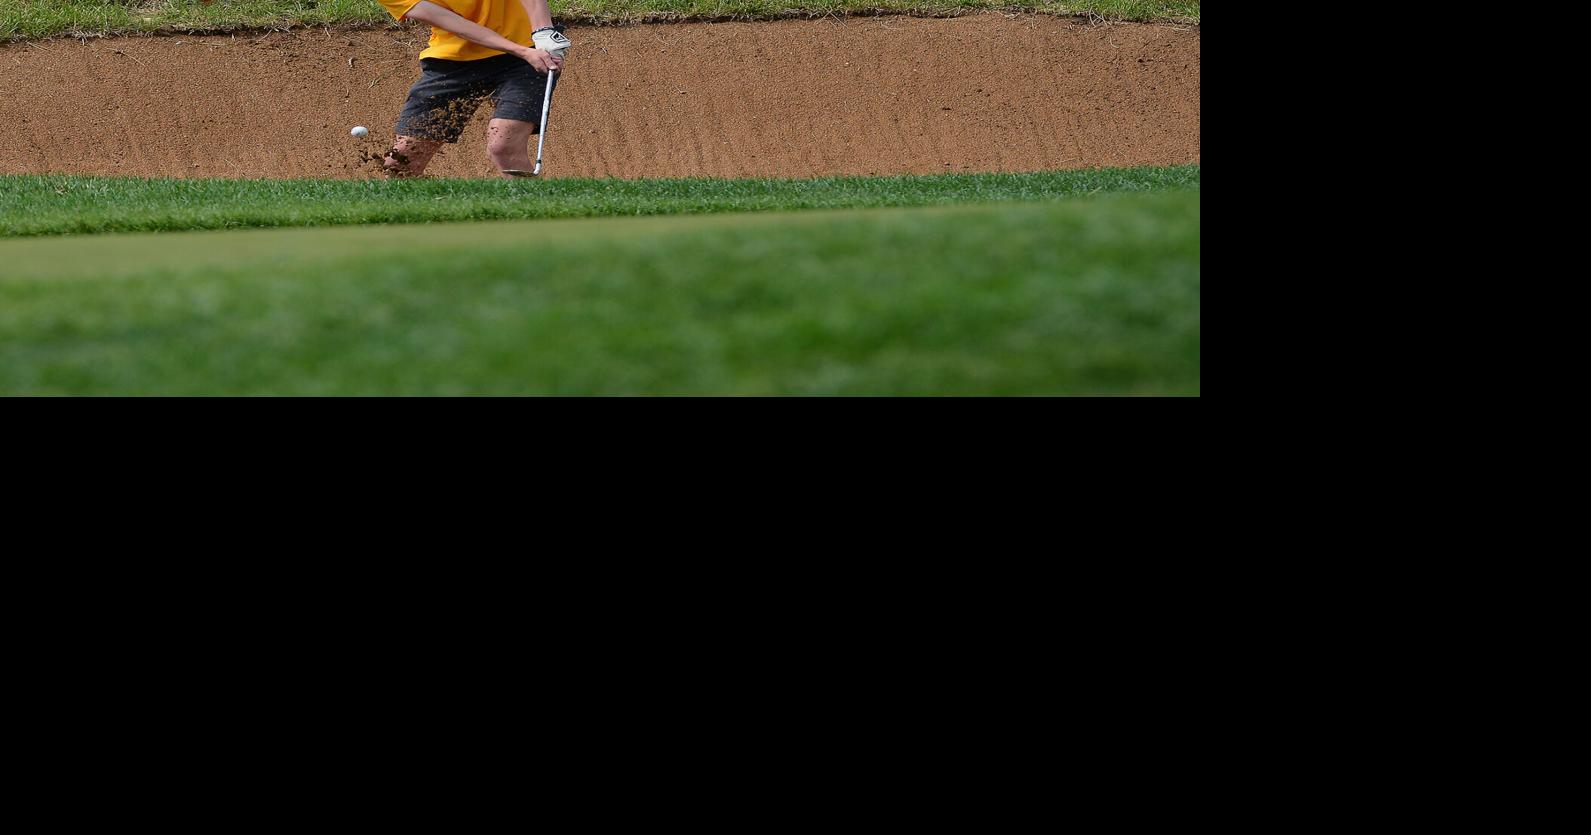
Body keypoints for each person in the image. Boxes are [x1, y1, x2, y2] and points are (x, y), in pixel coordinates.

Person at [376, 1, 571, 177]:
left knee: (503, 145)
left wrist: (544, 31)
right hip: (454, 63)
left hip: (529, 51)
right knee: (400, 163)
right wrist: (521, 51)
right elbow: (457, 25)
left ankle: (536, 213)